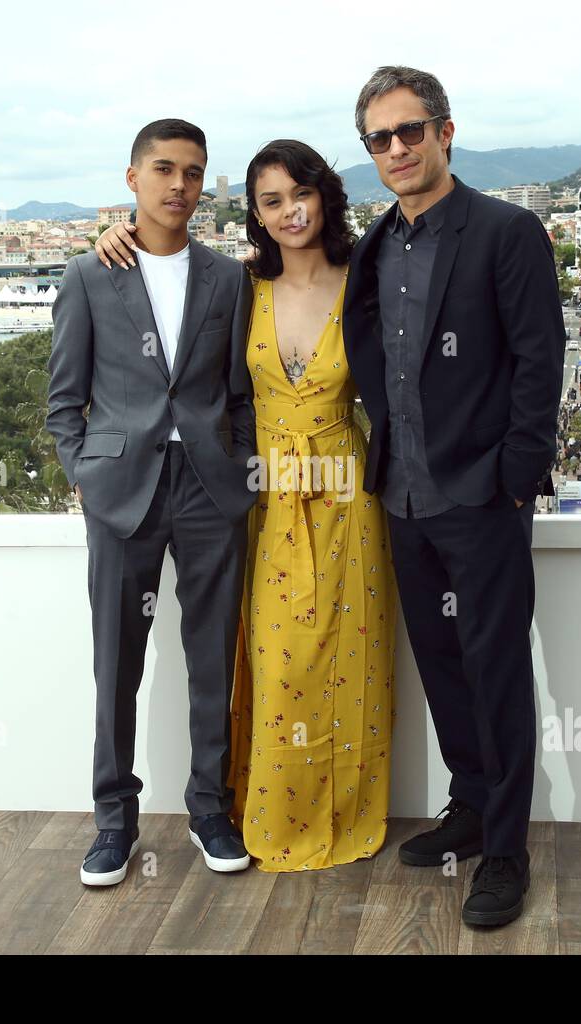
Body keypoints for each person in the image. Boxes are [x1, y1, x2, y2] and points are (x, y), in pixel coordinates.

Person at [95, 140, 398, 872]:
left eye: (302, 192)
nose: (290, 210)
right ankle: (254, 810)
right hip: (260, 502)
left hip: (347, 497)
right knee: (274, 662)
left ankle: (346, 810)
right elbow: (188, 352)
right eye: (271, 200)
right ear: (256, 215)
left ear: (324, 195)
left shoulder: (368, 282)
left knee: (350, 662)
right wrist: (113, 232)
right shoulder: (241, 286)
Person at [342, 66, 564, 927]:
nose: (396, 149)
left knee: (497, 671)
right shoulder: (375, 243)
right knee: (441, 665)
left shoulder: (507, 232)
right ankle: (469, 810)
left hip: (482, 501)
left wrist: (514, 481)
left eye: (409, 132)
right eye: (379, 140)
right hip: (400, 498)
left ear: (444, 132)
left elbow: (540, 364)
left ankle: (506, 851)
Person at [46, 118, 258, 887]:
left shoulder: (227, 278)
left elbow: (239, 397)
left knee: (212, 658)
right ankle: (113, 821)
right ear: (132, 178)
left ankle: (210, 807)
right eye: (164, 169)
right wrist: (87, 473)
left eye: (194, 173)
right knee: (117, 663)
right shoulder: (89, 275)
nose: (179, 185)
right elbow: (63, 400)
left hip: (208, 489)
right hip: (121, 491)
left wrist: (241, 469)